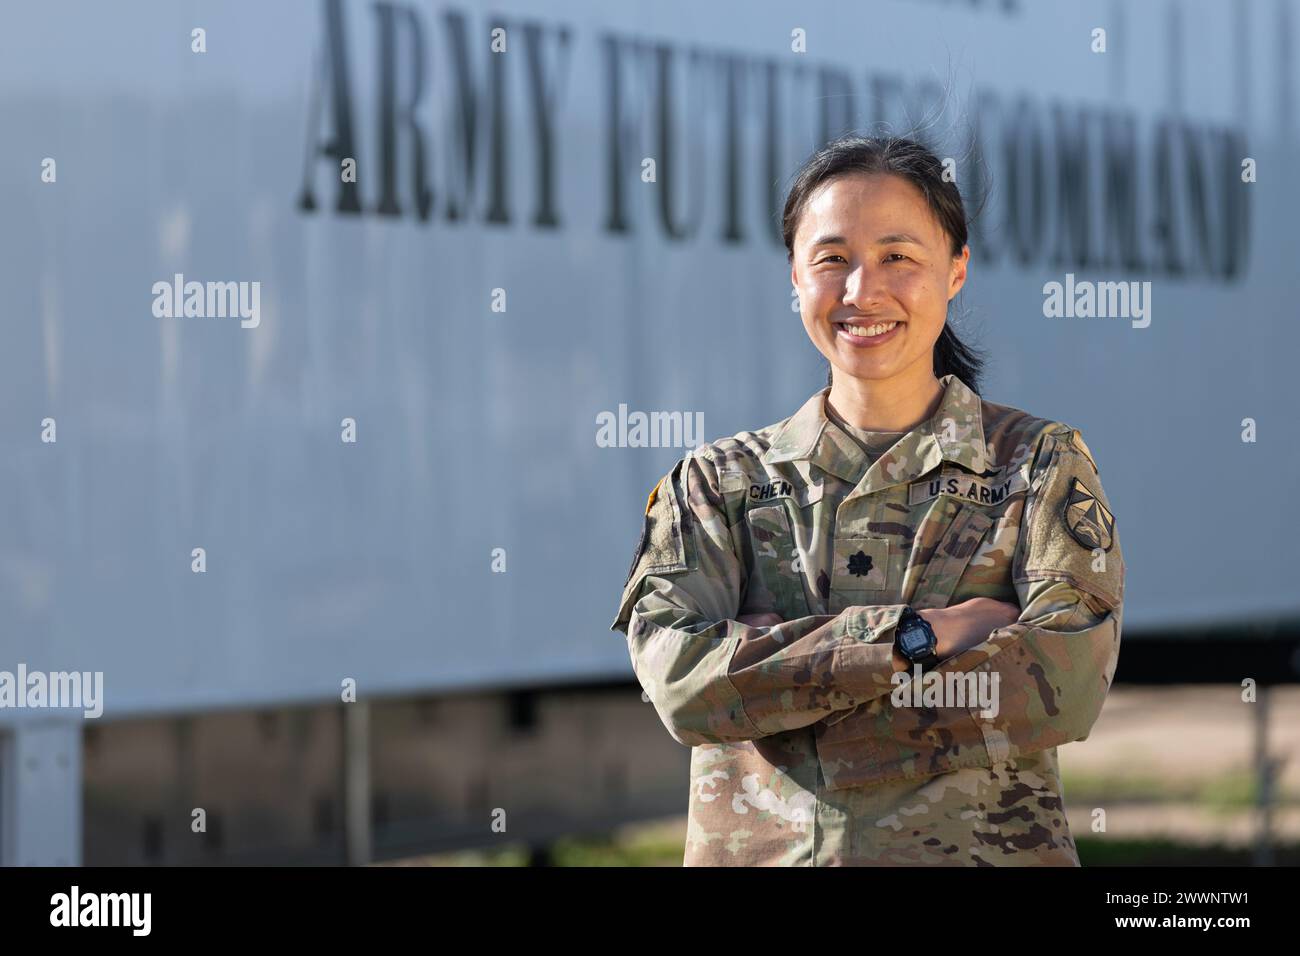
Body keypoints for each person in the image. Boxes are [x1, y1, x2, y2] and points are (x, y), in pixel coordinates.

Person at [609, 134, 1124, 866]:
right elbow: (682, 685)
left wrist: (773, 693)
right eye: (831, 259)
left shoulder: (1037, 467)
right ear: (794, 275)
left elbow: (1063, 686)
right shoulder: (716, 485)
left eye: (897, 257)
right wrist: (920, 636)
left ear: (955, 272)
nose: (861, 291)